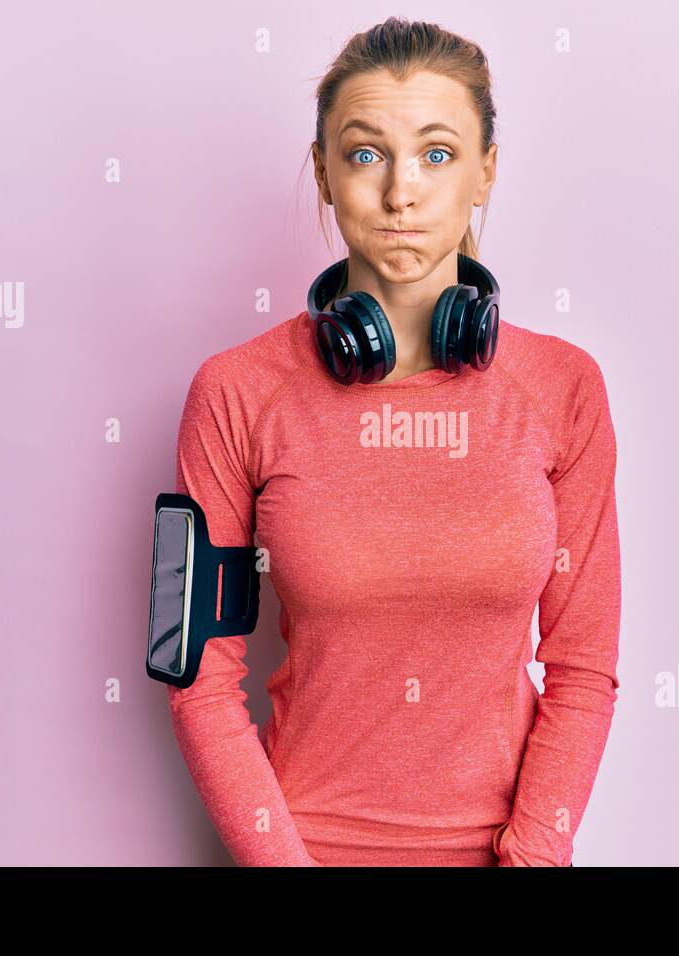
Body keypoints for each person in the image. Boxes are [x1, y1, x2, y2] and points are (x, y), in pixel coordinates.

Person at [167, 16, 620, 866]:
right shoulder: (234, 394)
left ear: (486, 172)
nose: (401, 192)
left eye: (439, 153)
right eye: (367, 153)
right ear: (325, 175)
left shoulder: (566, 390)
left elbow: (585, 668)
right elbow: (197, 679)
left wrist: (529, 860)